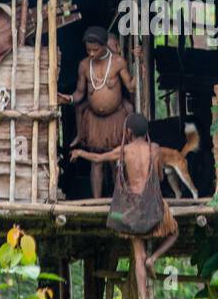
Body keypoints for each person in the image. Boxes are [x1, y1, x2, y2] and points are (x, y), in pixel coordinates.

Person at [70, 112, 178, 272]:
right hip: (152, 206)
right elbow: (160, 177)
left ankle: (142, 298)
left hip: (131, 210)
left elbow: (98, 158)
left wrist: (80, 153)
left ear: (128, 132)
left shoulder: (124, 150)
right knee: (174, 232)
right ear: (146, 131)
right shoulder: (154, 149)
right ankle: (153, 258)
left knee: (137, 254)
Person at [60, 26, 134, 198]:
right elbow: (79, 94)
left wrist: (139, 72)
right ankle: (97, 201)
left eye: (95, 49)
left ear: (104, 46)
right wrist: (68, 99)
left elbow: (130, 86)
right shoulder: (84, 65)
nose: (92, 54)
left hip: (116, 118)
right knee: (96, 161)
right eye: (88, 50)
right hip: (94, 120)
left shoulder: (117, 62)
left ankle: (119, 199)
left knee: (117, 160)